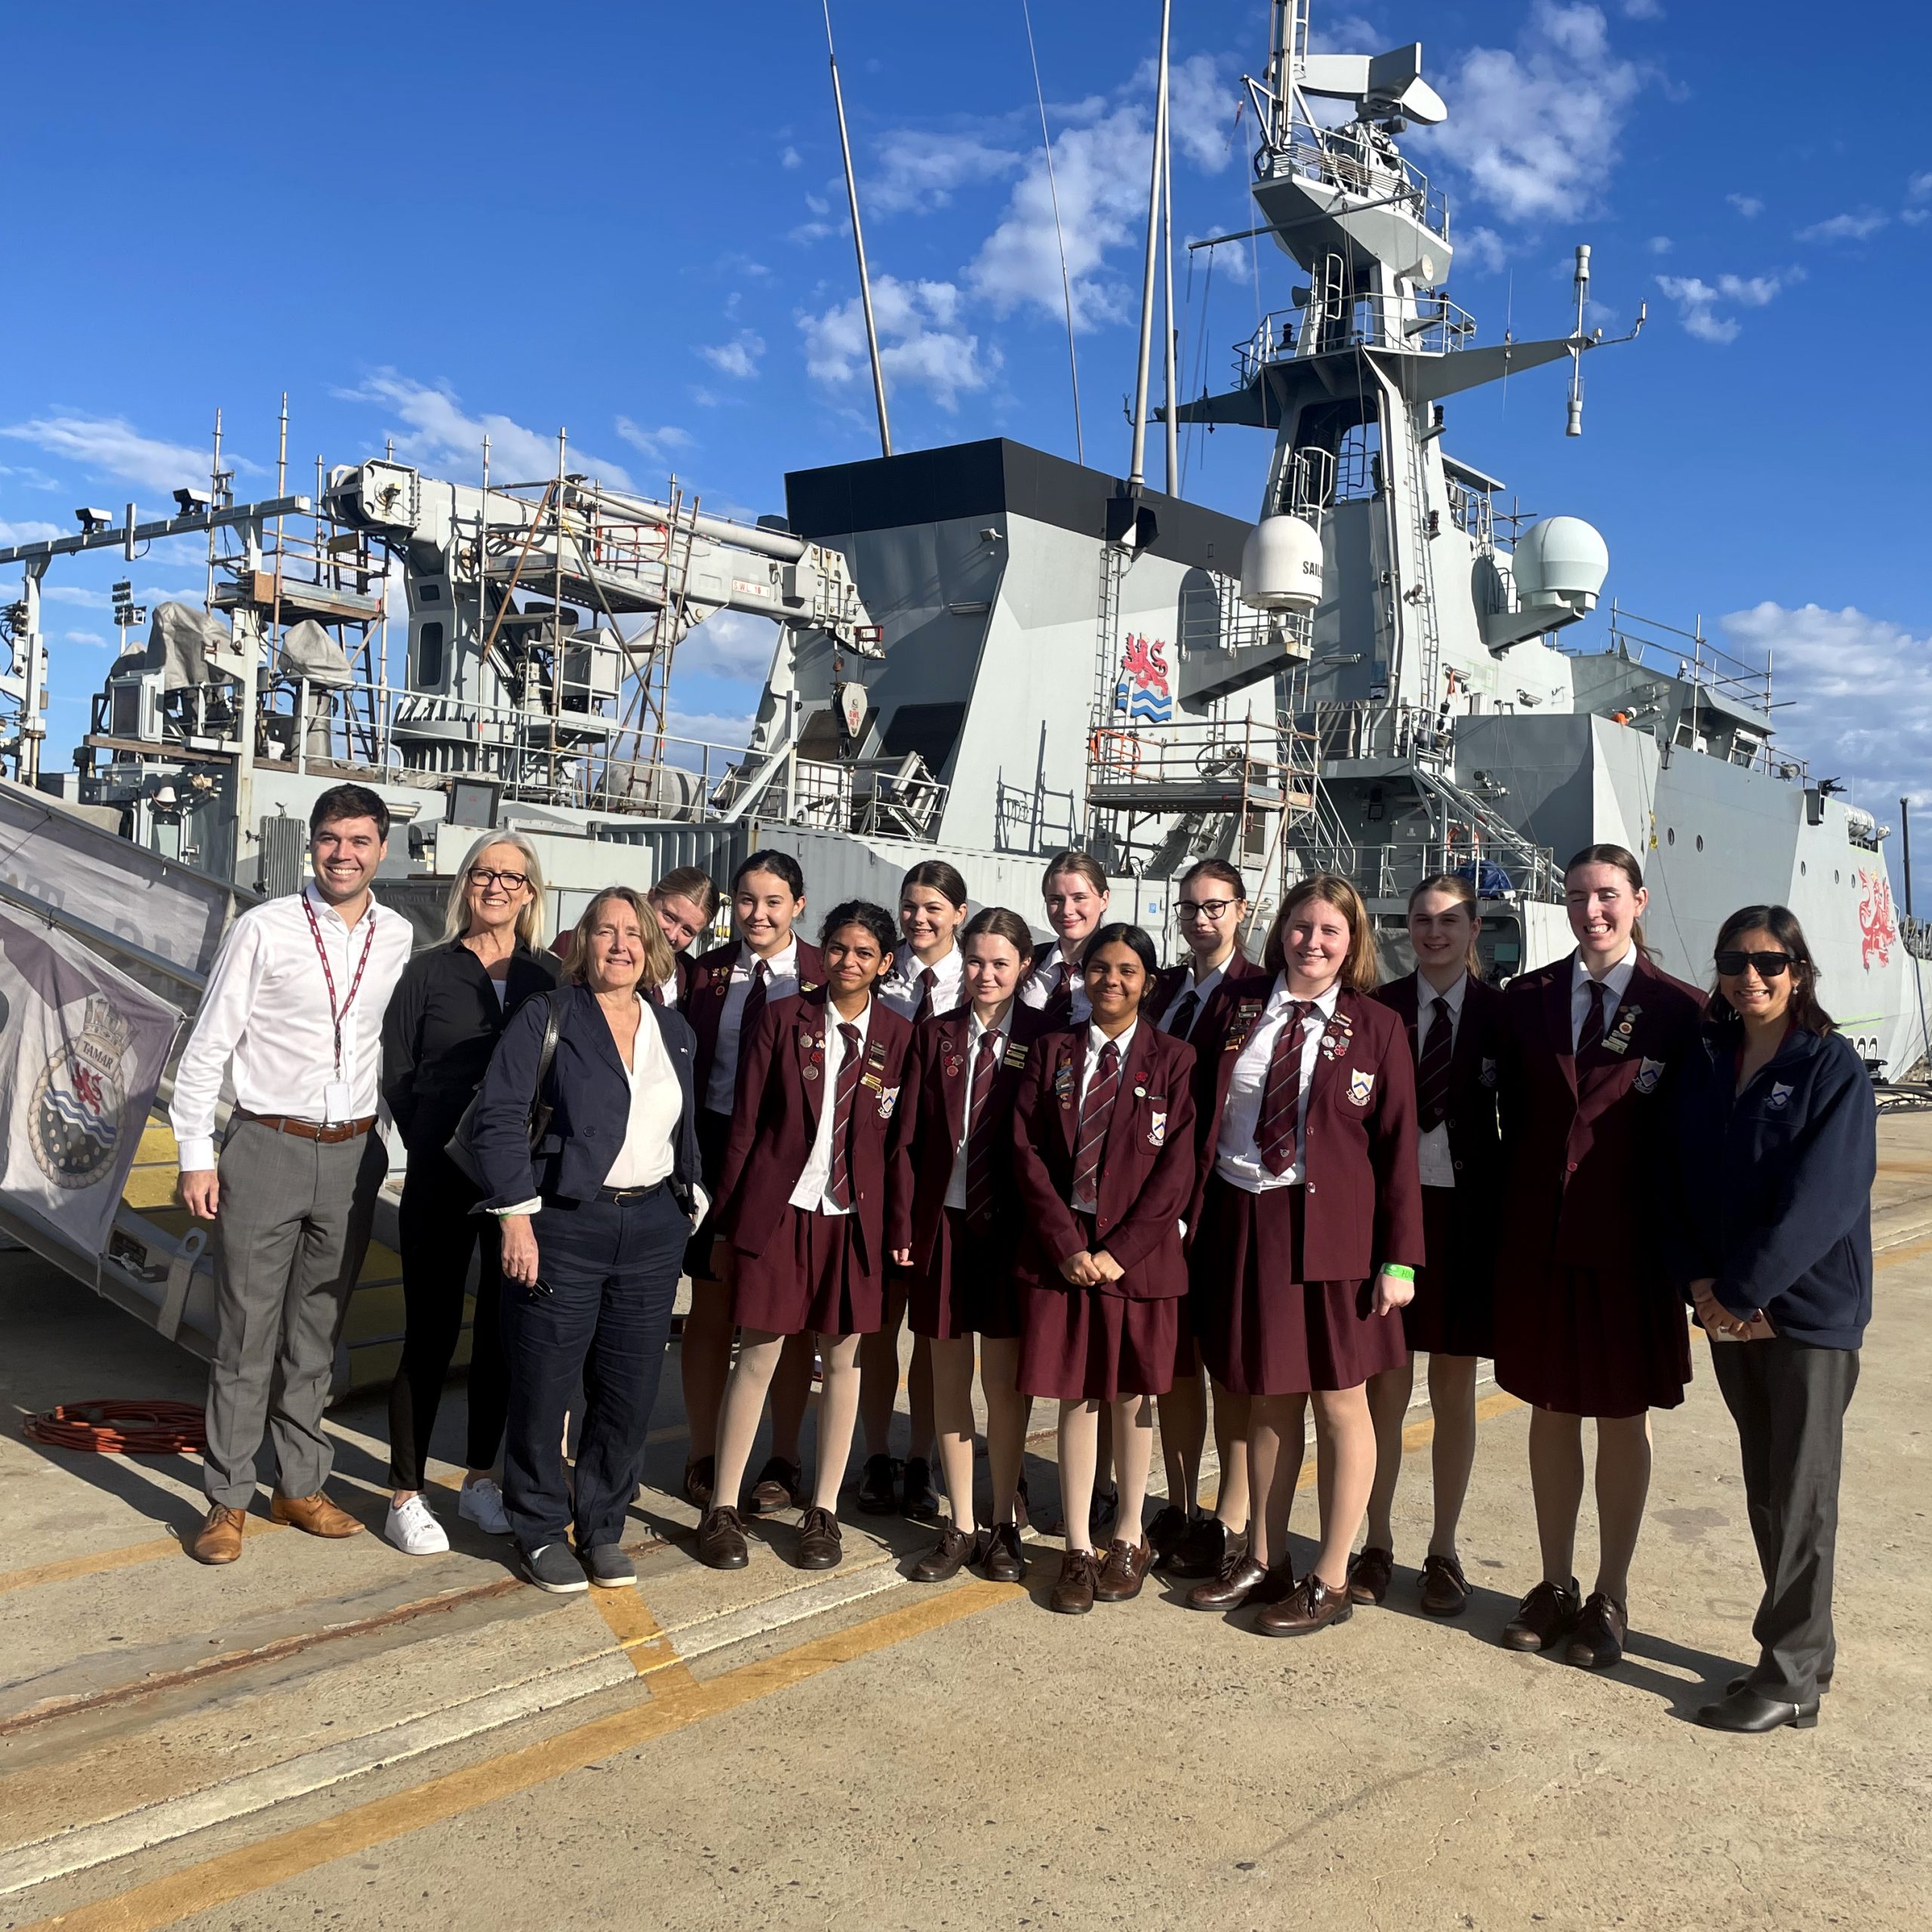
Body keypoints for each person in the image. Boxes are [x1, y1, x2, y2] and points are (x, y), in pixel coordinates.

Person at [175, 784, 414, 1565]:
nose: (342, 853)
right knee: (246, 1330)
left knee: (318, 1332)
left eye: (358, 840)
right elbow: (208, 1045)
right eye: (329, 838)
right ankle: (227, 1497)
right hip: (267, 1144)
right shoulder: (264, 928)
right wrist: (194, 1156)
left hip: (351, 1154)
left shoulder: (400, 937)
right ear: (310, 844)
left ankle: (300, 1483)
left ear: (383, 848)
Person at [1183, 874, 1422, 1635]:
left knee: (1340, 1401)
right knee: (1265, 1395)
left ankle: (1330, 1575)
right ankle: (1263, 1554)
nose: (1311, 942)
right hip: (1245, 1221)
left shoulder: (1377, 1027)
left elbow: (1396, 1152)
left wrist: (1400, 1259)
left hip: (1336, 1236)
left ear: (1352, 942)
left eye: (1329, 930)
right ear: (1279, 928)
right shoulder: (1235, 1007)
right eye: (1300, 926)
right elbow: (1196, 1115)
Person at [1493, 844, 1703, 1669]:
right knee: (1550, 1410)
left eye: (1607, 895)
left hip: (1630, 1250)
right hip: (1542, 1244)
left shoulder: (1679, 1012)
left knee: (1621, 1417)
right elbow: (1510, 1121)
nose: (1592, 911)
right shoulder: (1527, 1000)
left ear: (1638, 901)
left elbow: (1694, 1146)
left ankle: (1609, 1592)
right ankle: (1553, 1583)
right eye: (1578, 895)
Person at [1668, 906, 1874, 1733]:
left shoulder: (1828, 1067)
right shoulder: (1709, 1060)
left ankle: (1790, 1674)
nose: (1749, 975)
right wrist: (1698, 1282)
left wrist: (1742, 1289)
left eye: (1767, 961)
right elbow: (1675, 1174)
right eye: (1732, 960)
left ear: (1797, 968)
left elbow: (1823, 1197)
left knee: (1801, 1492)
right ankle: (1802, 1650)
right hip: (1727, 1304)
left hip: (1803, 1311)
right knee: (1766, 1486)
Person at [471, 888, 702, 1594]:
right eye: (607, 932)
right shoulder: (549, 1017)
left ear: (651, 948)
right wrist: (516, 1216)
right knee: (545, 1383)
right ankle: (538, 1527)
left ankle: (603, 1525)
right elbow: (499, 1119)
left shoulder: (672, 1028)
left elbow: (683, 1126)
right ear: (583, 944)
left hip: (653, 1229)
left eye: (634, 933)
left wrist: (691, 1196)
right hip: (566, 1224)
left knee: (629, 1388)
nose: (621, 945)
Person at [696, 901, 914, 1574]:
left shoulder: (899, 1035)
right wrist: (728, 1222)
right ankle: (723, 1507)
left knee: (844, 1360)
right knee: (758, 1353)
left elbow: (902, 1144)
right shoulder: (786, 1018)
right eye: (839, 949)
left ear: (884, 964)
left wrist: (899, 1227)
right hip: (782, 1208)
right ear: (826, 953)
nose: (850, 962)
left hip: (854, 1219)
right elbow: (746, 1126)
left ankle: (823, 1509)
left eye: (864, 953)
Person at [380, 832, 560, 1555]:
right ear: (466, 886)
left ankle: (481, 1478)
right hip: (440, 1177)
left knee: (501, 1335)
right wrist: (433, 1137)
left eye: (511, 878)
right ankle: (405, 1490)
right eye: (484, 874)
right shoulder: (427, 973)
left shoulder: (548, 978)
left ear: (530, 893)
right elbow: (397, 1069)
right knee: (427, 1331)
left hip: (516, 1184)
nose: (496, 887)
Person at [1011, 922, 1198, 1615]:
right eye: (1098, 969)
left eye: (1126, 971)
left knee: (1131, 1397)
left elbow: (1179, 1168)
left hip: (1135, 1262)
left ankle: (1128, 1536)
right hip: (1066, 1256)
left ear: (1148, 981)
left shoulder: (1175, 1060)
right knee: (1076, 1395)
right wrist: (1067, 1242)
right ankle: (1079, 1545)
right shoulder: (1053, 1051)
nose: (1110, 981)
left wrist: (1122, 1251)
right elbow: (1026, 1150)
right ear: (1080, 977)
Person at [1358, 873, 1505, 1615]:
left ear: (1475, 927)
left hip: (1467, 1221)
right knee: (1383, 1385)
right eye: (1421, 920)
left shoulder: (1501, 1017)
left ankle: (1443, 1548)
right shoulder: (1379, 1011)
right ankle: (1375, 1539)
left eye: (1450, 920)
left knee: (1452, 1390)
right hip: (1391, 1220)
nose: (1434, 932)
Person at [889, 906, 1048, 1584]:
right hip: (945, 1225)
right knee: (947, 1376)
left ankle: (1005, 1520)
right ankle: (959, 1520)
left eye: (1000, 963)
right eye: (977, 961)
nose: (986, 974)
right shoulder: (937, 1035)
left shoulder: (1047, 1039)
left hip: (1013, 1232)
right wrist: (904, 1226)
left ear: (1024, 968)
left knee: (1005, 1384)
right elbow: (906, 1144)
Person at [679, 851, 824, 1515]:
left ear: (798, 904)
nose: (757, 914)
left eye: (772, 901)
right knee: (710, 1308)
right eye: (745, 900)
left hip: (796, 1158)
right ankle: (704, 1454)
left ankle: (783, 1456)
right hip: (714, 1149)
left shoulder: (827, 972)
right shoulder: (706, 974)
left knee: (785, 1321)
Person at [1146, 859, 1268, 1580]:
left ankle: (1232, 1511)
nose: (1200, 919)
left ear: (1242, 911)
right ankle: (1183, 1500)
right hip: (1158, 1200)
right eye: (1190, 907)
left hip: (1220, 1197)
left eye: (1214, 907)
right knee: (1176, 1361)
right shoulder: (1163, 991)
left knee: (1229, 1365)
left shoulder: (1259, 993)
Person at [857, 860, 971, 1520]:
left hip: (941, 1180)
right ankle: (878, 1455)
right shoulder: (880, 971)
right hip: (876, 1168)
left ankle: (922, 1458)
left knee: (935, 1337)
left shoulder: (980, 979)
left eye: (933, 907)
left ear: (959, 912)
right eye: (910, 906)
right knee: (878, 1327)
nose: (919, 918)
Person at [1019, 849, 1109, 1030]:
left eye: (1079, 898)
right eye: (1056, 900)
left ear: (1104, 900)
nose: (1067, 910)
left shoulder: (1124, 973)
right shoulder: (1028, 964)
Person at [648, 866, 721, 1006]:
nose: (672, 935)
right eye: (669, 917)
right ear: (651, 896)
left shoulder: (693, 978)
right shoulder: (612, 958)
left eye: (687, 931)